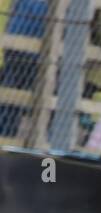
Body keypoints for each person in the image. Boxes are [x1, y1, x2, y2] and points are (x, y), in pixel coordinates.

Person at [0, 0, 49, 139]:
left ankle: (5, 135)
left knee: (12, 93)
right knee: (18, 95)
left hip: (16, 39)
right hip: (32, 44)